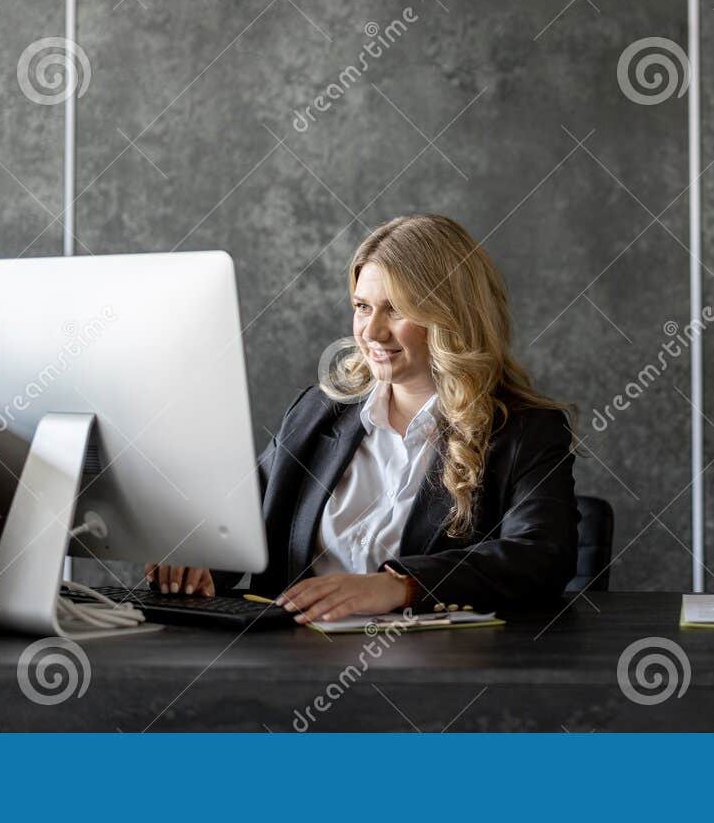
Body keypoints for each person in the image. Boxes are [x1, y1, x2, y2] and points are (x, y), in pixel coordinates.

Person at [148, 213, 580, 622]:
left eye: (396, 309)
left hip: (425, 664)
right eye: (362, 306)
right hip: (289, 658)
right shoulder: (318, 411)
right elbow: (243, 522)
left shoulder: (525, 430)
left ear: (452, 316)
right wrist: (201, 559)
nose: (371, 332)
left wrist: (401, 586)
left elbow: (541, 557)